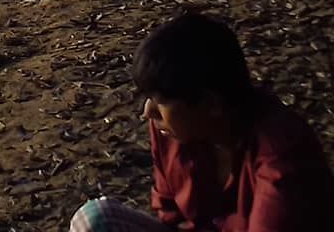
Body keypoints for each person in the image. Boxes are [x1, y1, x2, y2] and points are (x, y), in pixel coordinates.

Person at [70, 13, 332, 231]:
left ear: (212, 104)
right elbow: (171, 214)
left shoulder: (281, 156)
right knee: (96, 219)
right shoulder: (175, 131)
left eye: (160, 101)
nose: (148, 111)